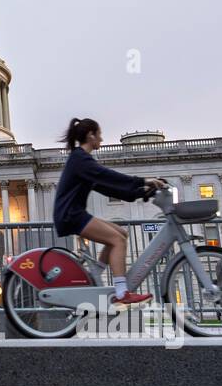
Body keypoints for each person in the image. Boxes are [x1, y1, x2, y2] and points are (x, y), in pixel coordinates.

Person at [52, 118, 167, 306]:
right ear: (91, 135)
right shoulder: (80, 158)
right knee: (117, 240)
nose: (102, 139)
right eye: (100, 134)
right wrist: (142, 181)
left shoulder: (81, 160)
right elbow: (107, 176)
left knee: (122, 233)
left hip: (73, 213)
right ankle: (122, 293)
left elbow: (107, 187)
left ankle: (95, 275)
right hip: (71, 215)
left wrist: (139, 192)